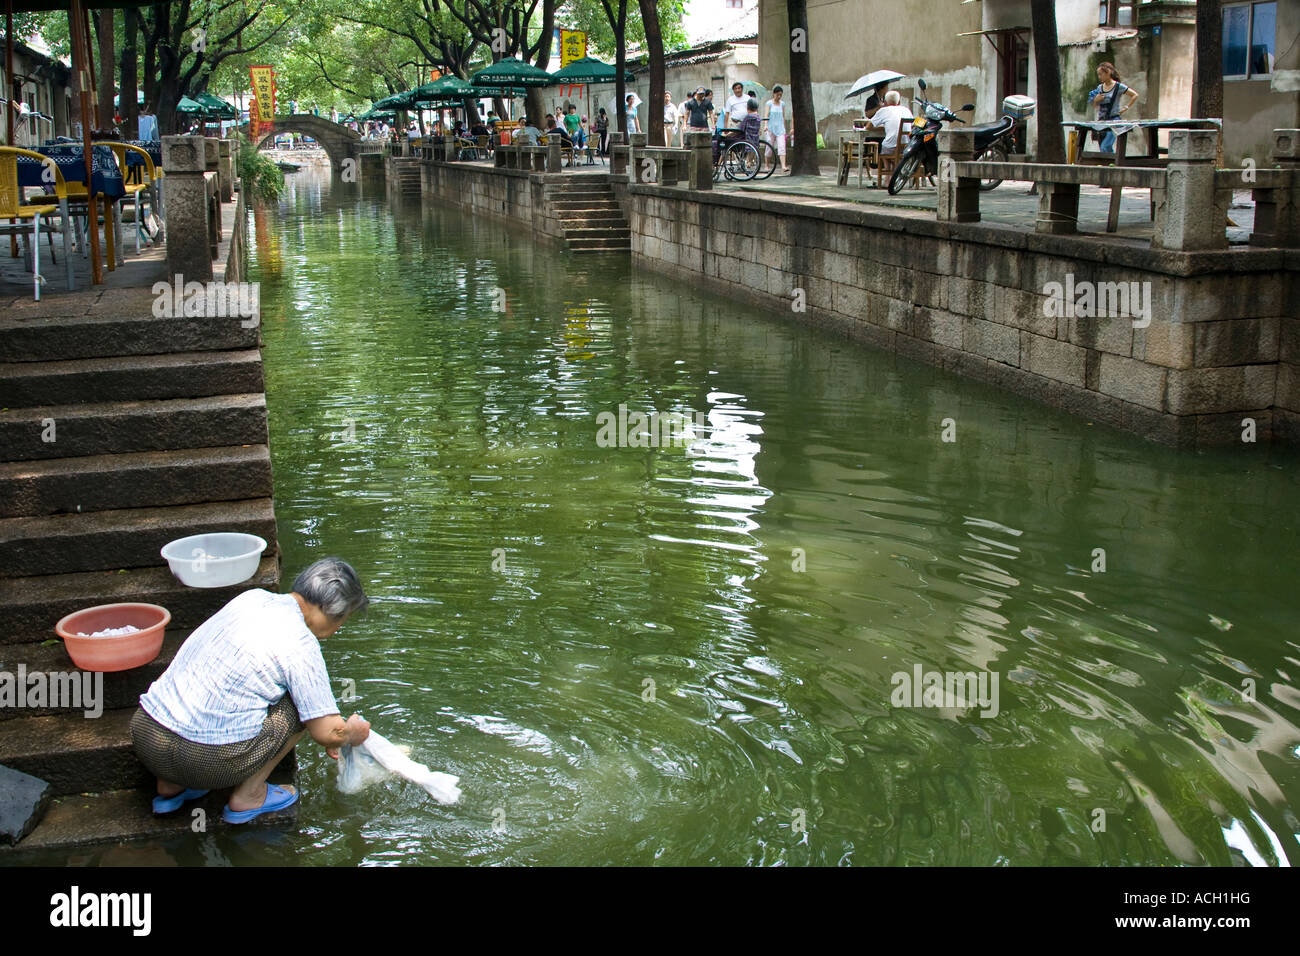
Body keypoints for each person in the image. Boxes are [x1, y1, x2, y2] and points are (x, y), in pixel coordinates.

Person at [130, 558, 372, 824]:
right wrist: (349, 734)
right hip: (204, 760)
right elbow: (327, 732)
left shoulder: (251, 598)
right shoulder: (302, 643)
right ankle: (250, 795)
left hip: (147, 735)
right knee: (299, 708)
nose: (337, 630)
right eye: (342, 621)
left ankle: (169, 787)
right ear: (334, 611)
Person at [1086, 62, 1139, 154]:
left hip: (1114, 121)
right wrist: (1096, 100)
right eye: (1098, 75)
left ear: (1108, 73)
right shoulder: (1100, 88)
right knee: (1102, 149)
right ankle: (1110, 165)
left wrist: (1126, 107)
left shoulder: (1118, 87)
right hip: (1102, 121)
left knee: (1106, 145)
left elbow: (1134, 95)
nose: (1099, 77)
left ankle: (1115, 163)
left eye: (1101, 74)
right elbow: (1094, 105)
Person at [868, 89, 912, 153]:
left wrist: (882, 128)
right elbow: (912, 126)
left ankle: (886, 163)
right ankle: (895, 162)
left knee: (884, 148)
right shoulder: (906, 110)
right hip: (906, 146)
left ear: (885, 102)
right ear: (899, 102)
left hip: (891, 147)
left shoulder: (884, 110)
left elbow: (868, 127)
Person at [763, 85, 791, 174]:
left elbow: (783, 116)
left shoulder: (782, 104)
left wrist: (784, 127)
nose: (779, 97)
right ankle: (767, 165)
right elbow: (766, 115)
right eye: (777, 95)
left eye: (780, 95)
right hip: (771, 128)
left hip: (780, 129)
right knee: (769, 148)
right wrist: (765, 125)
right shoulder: (769, 103)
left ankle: (783, 165)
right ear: (774, 94)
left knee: (782, 146)